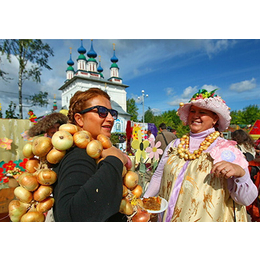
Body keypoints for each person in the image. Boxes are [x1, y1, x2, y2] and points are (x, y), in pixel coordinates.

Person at [144, 89, 258, 222]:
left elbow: (247, 199)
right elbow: (158, 177)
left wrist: (241, 174)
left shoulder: (226, 149)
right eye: (193, 111)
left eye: (202, 112)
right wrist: (144, 202)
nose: (195, 116)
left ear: (215, 119)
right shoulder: (176, 145)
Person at [52, 88, 127, 222]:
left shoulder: (92, 152)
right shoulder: (79, 156)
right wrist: (114, 160)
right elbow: (70, 216)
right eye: (102, 112)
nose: (110, 118)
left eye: (112, 113)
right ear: (79, 119)